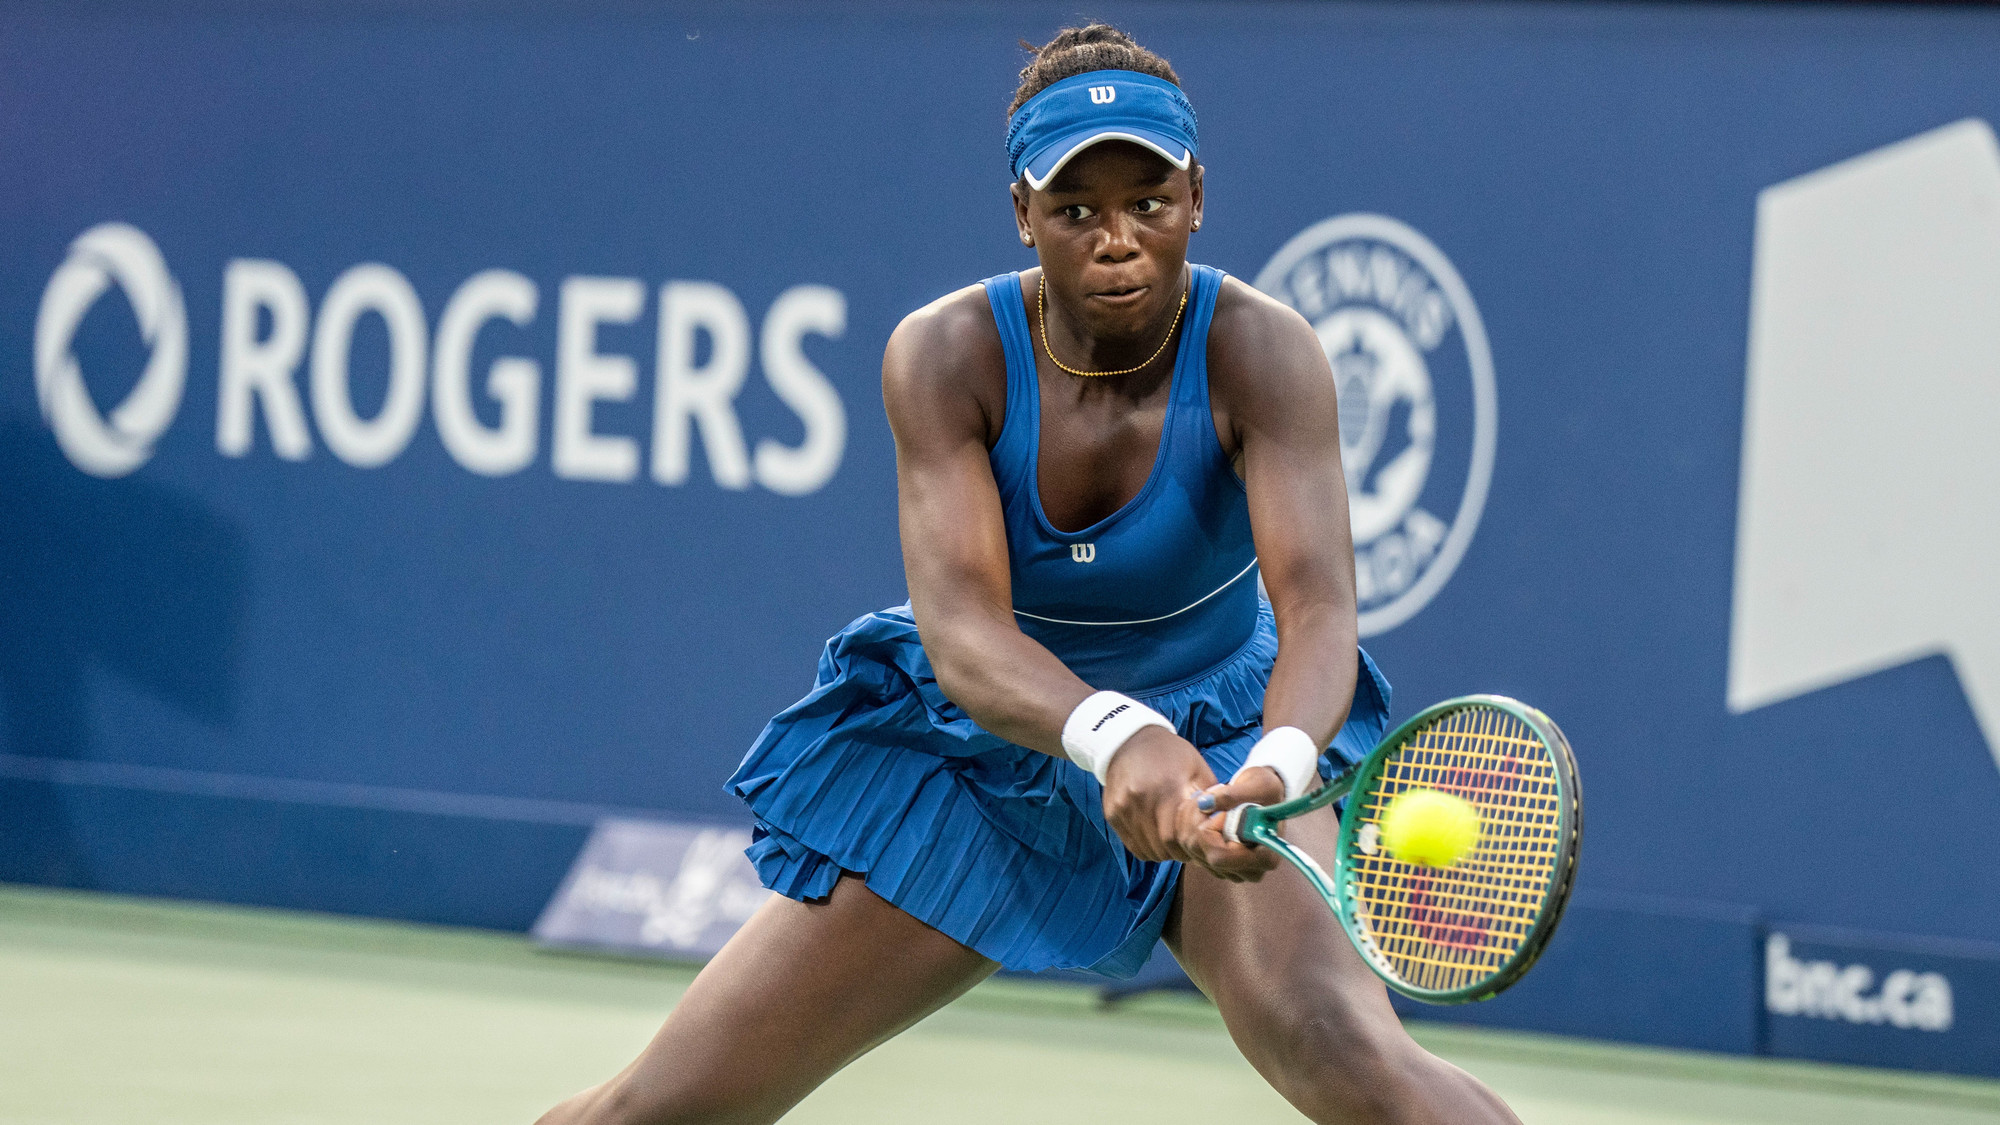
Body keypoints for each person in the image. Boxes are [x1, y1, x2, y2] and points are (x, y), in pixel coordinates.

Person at [539, 24, 1521, 1125]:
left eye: (1147, 203)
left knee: (1358, 1065)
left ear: (1196, 197)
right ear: (1021, 215)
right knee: (655, 1114)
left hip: (1230, 732)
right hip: (990, 761)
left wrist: (1281, 764)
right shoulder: (944, 355)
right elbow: (961, 635)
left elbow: (1319, 610)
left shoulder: (1265, 349)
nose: (1115, 240)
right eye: (1074, 210)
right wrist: (1116, 734)